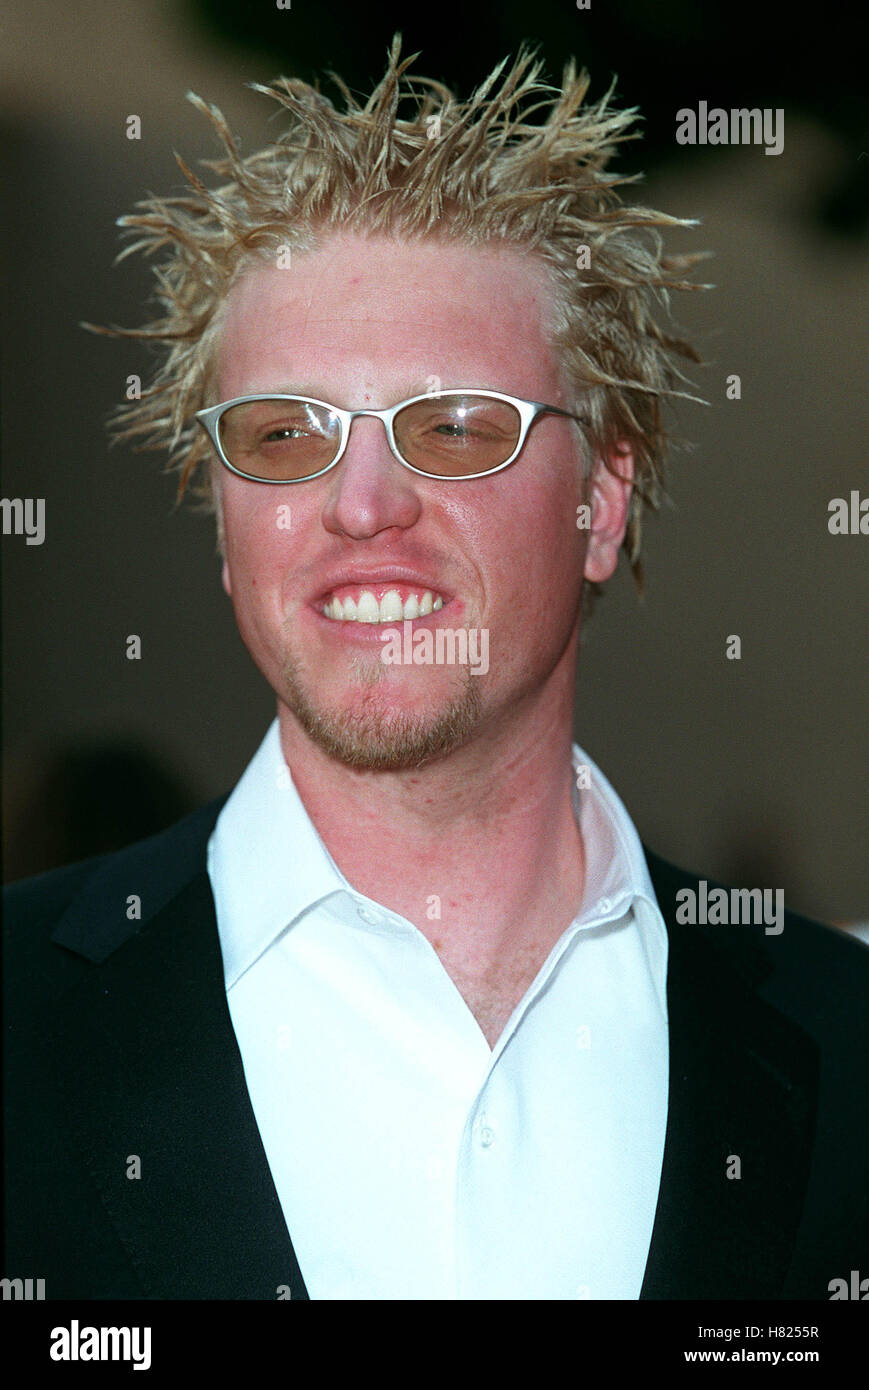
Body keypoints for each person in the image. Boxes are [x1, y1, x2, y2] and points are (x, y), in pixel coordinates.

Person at [4, 37, 867, 1302]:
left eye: (453, 425)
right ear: (225, 524)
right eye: (283, 433)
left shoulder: (843, 1046)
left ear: (604, 501)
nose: (360, 504)